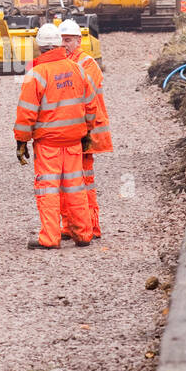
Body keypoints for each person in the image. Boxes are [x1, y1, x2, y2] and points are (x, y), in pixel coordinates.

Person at [15, 22, 97, 249]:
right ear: (59, 44)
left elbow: (26, 113)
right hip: (74, 141)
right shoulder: (77, 68)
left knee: (49, 190)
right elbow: (91, 104)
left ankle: (50, 239)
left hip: (48, 144)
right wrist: (87, 131)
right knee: (75, 187)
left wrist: (21, 141)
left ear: (40, 47)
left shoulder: (36, 74)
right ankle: (83, 234)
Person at [59, 19, 111, 240]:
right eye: (61, 40)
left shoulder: (87, 63)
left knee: (83, 181)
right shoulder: (65, 62)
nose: (64, 45)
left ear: (79, 40)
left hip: (86, 133)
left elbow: (77, 93)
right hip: (73, 131)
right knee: (67, 182)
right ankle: (71, 226)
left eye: (68, 40)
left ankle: (90, 226)